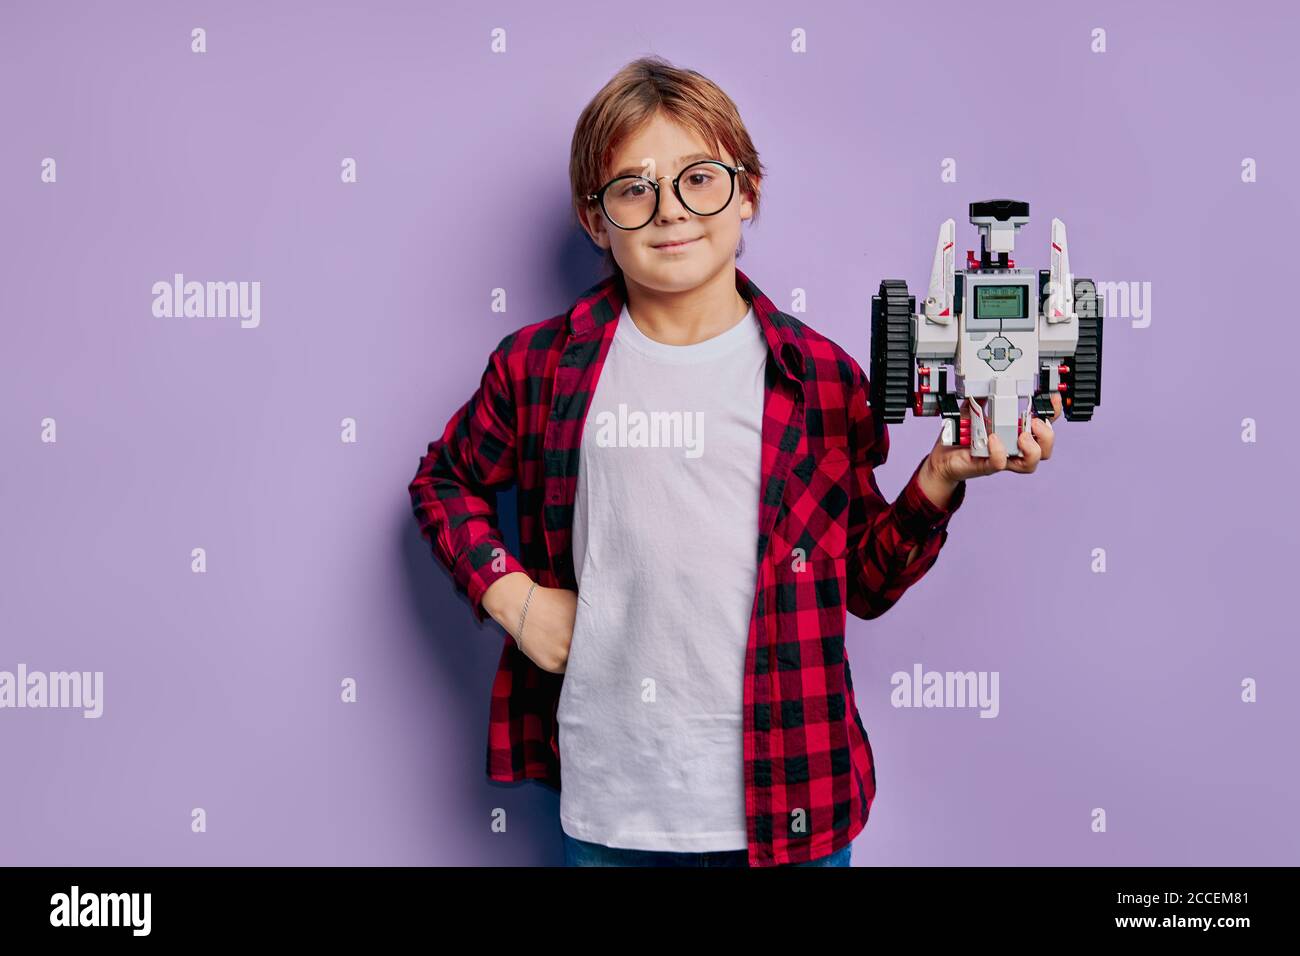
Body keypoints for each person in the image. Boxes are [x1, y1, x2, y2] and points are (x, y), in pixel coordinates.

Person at [408, 56, 1060, 868]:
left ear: (746, 193)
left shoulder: (818, 377)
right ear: (594, 219)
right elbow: (443, 481)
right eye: (633, 188)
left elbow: (862, 586)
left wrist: (939, 481)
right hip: (616, 805)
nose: (670, 211)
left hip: (796, 802)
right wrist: (513, 596)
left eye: (699, 179)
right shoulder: (541, 366)